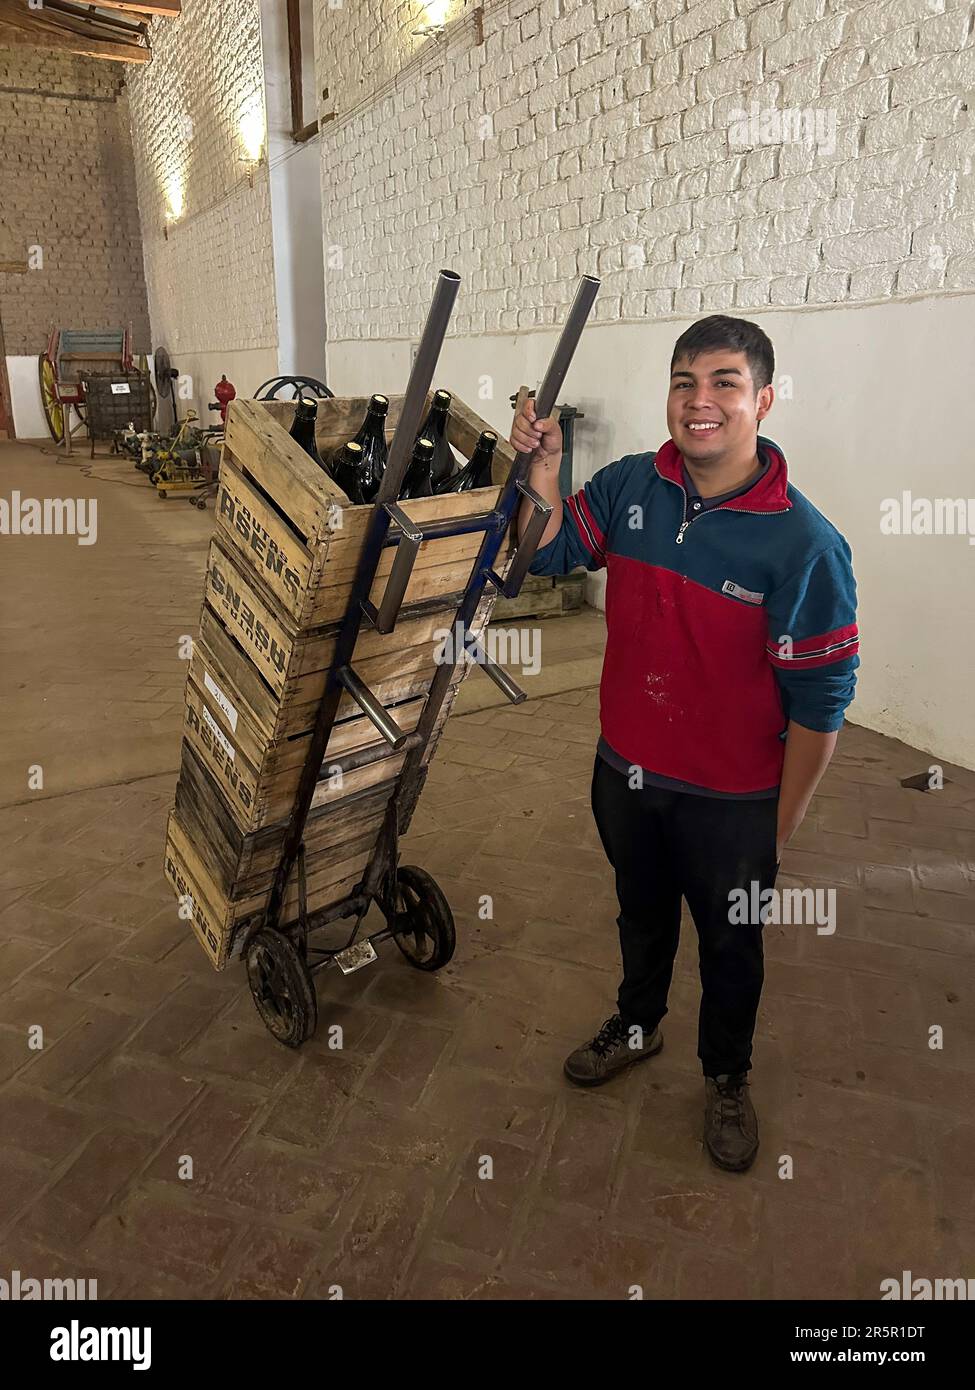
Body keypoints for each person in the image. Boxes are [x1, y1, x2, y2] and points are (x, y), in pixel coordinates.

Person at [511, 315, 859, 1172]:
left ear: (762, 401)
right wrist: (544, 474)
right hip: (624, 771)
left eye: (724, 384)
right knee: (639, 913)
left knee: (730, 944)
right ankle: (636, 1025)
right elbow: (546, 556)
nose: (699, 402)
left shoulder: (803, 544)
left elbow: (822, 706)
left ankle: (726, 1075)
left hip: (732, 798)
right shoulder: (633, 484)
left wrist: (778, 825)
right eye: (683, 383)